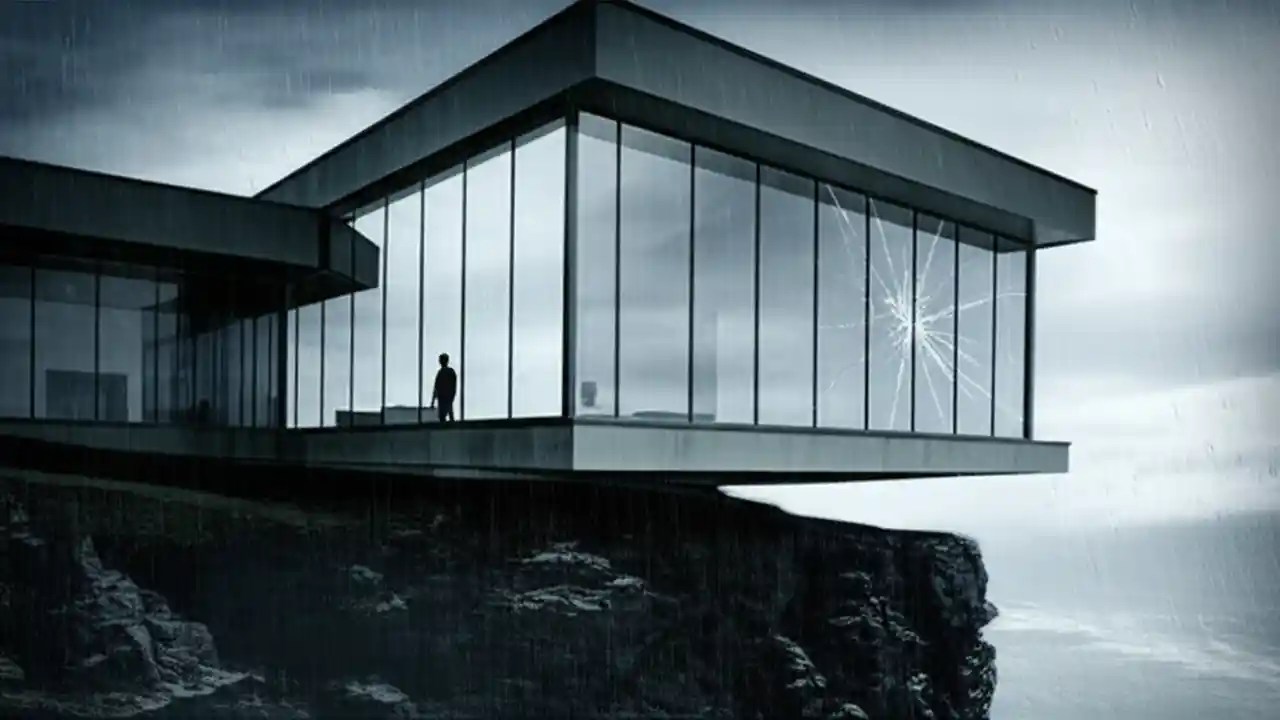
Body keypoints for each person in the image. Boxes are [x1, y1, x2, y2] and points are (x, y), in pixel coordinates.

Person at [430, 352, 457, 422]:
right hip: (445, 397)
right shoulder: (449, 372)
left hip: (444, 397)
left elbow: (436, 387)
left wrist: (433, 400)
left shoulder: (442, 372)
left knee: (444, 415)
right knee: (447, 414)